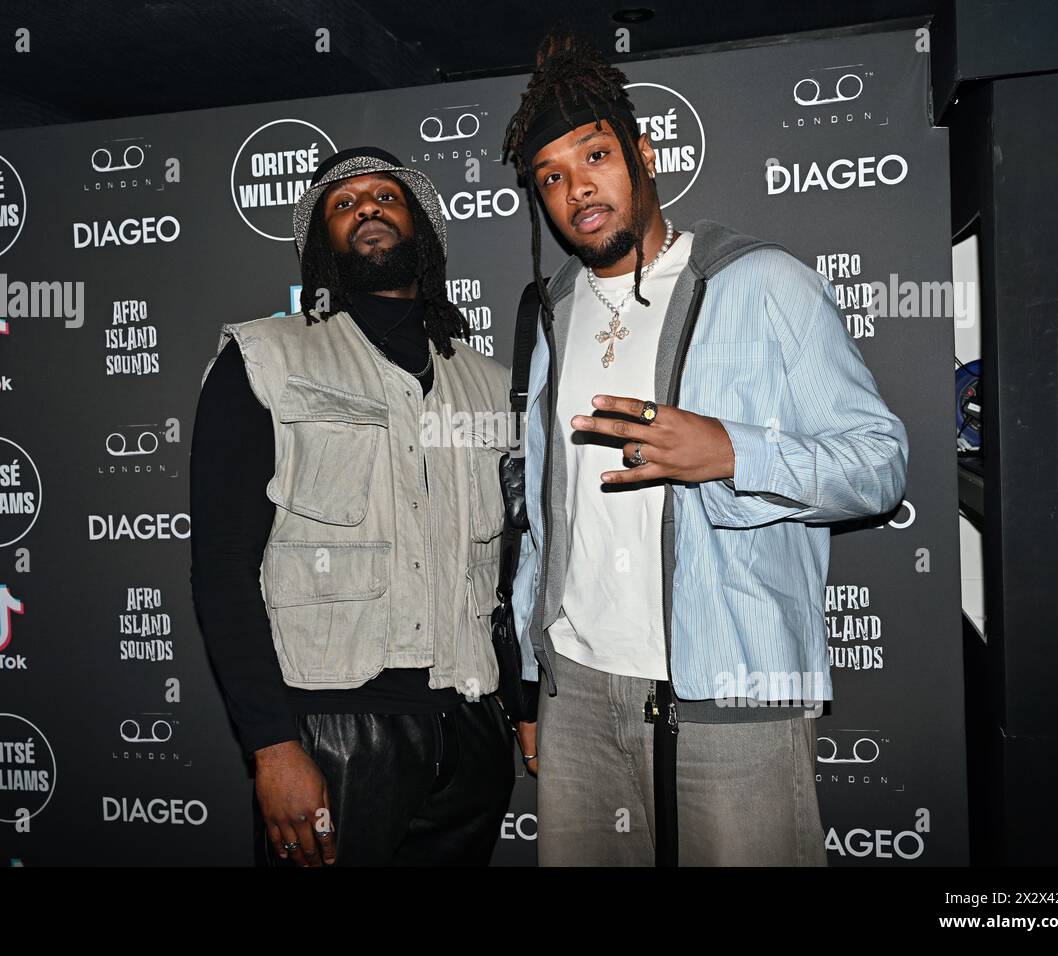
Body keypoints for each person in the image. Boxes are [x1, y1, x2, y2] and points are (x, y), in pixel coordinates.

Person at [501, 31, 909, 865]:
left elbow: (879, 462)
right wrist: (531, 672)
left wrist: (733, 454)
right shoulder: (554, 314)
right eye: (551, 176)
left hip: (731, 694)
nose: (577, 187)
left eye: (595, 155)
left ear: (644, 156)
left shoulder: (761, 282)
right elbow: (546, 515)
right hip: (577, 691)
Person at [189, 146, 516, 866]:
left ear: (422, 229)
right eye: (344, 203)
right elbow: (221, 564)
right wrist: (272, 745)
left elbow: (511, 568)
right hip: (332, 731)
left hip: (469, 727)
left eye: (385, 197)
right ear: (321, 248)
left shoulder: (491, 386)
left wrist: (517, 705)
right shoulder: (266, 359)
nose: (366, 207)